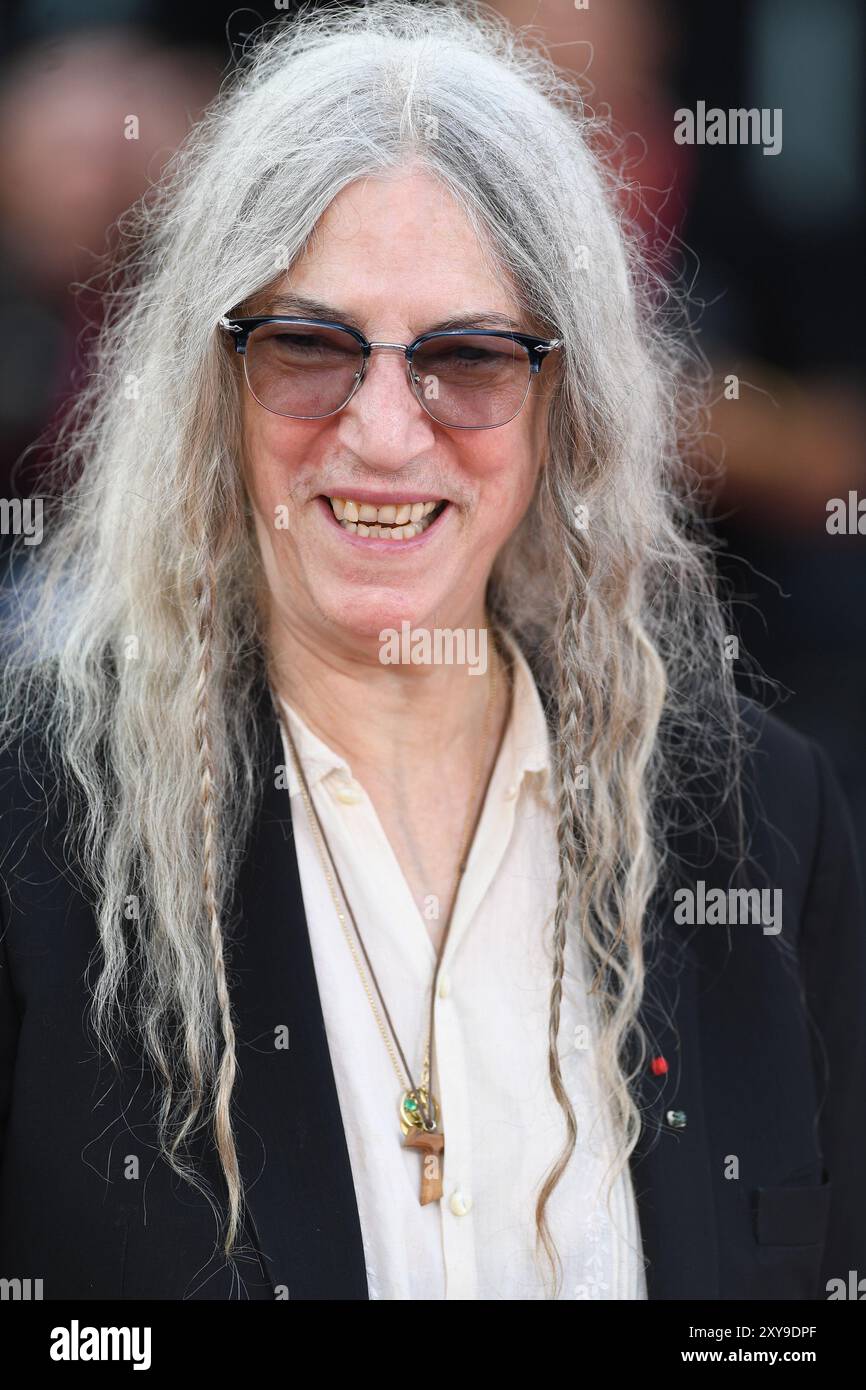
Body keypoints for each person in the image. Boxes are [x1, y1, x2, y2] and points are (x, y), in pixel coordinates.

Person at [0, 0, 862, 1302]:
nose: (385, 434)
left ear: (561, 403)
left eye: (465, 357)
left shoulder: (765, 823)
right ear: (208, 381)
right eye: (307, 346)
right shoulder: (32, 825)